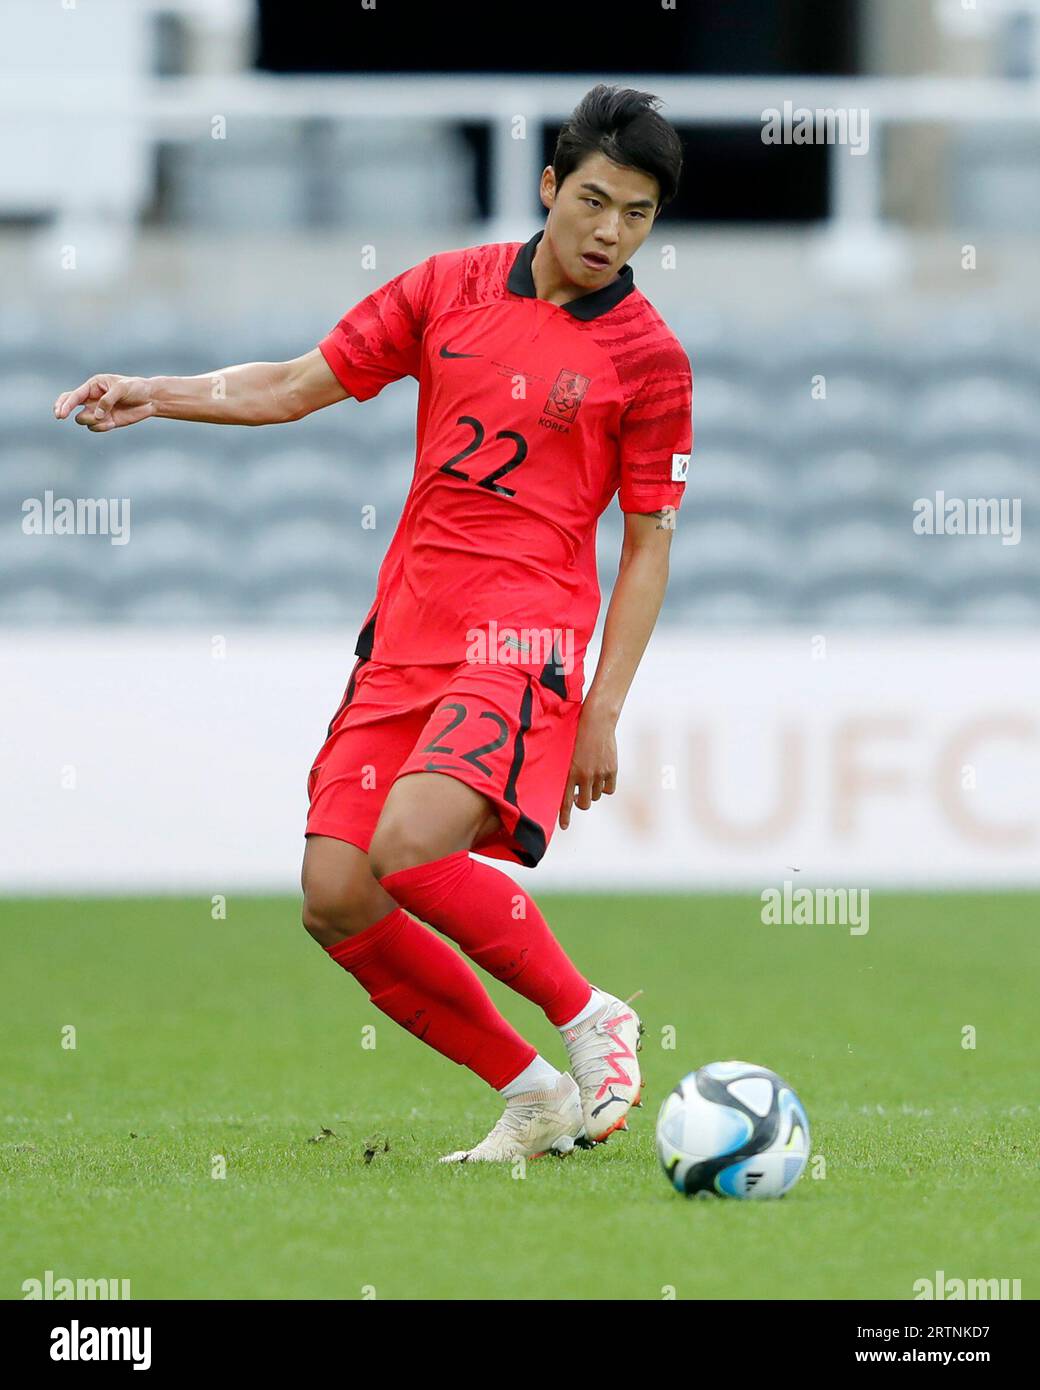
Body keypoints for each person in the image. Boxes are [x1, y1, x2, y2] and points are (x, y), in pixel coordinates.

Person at [53, 84, 692, 1163]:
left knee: (407, 849)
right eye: (592, 200)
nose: (608, 231)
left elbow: (647, 548)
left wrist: (602, 707)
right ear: (549, 187)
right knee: (335, 893)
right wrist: (157, 393)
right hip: (402, 639)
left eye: (635, 214)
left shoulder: (647, 356)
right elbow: (294, 384)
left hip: (520, 640)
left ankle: (592, 1019)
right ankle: (530, 1093)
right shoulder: (444, 287)